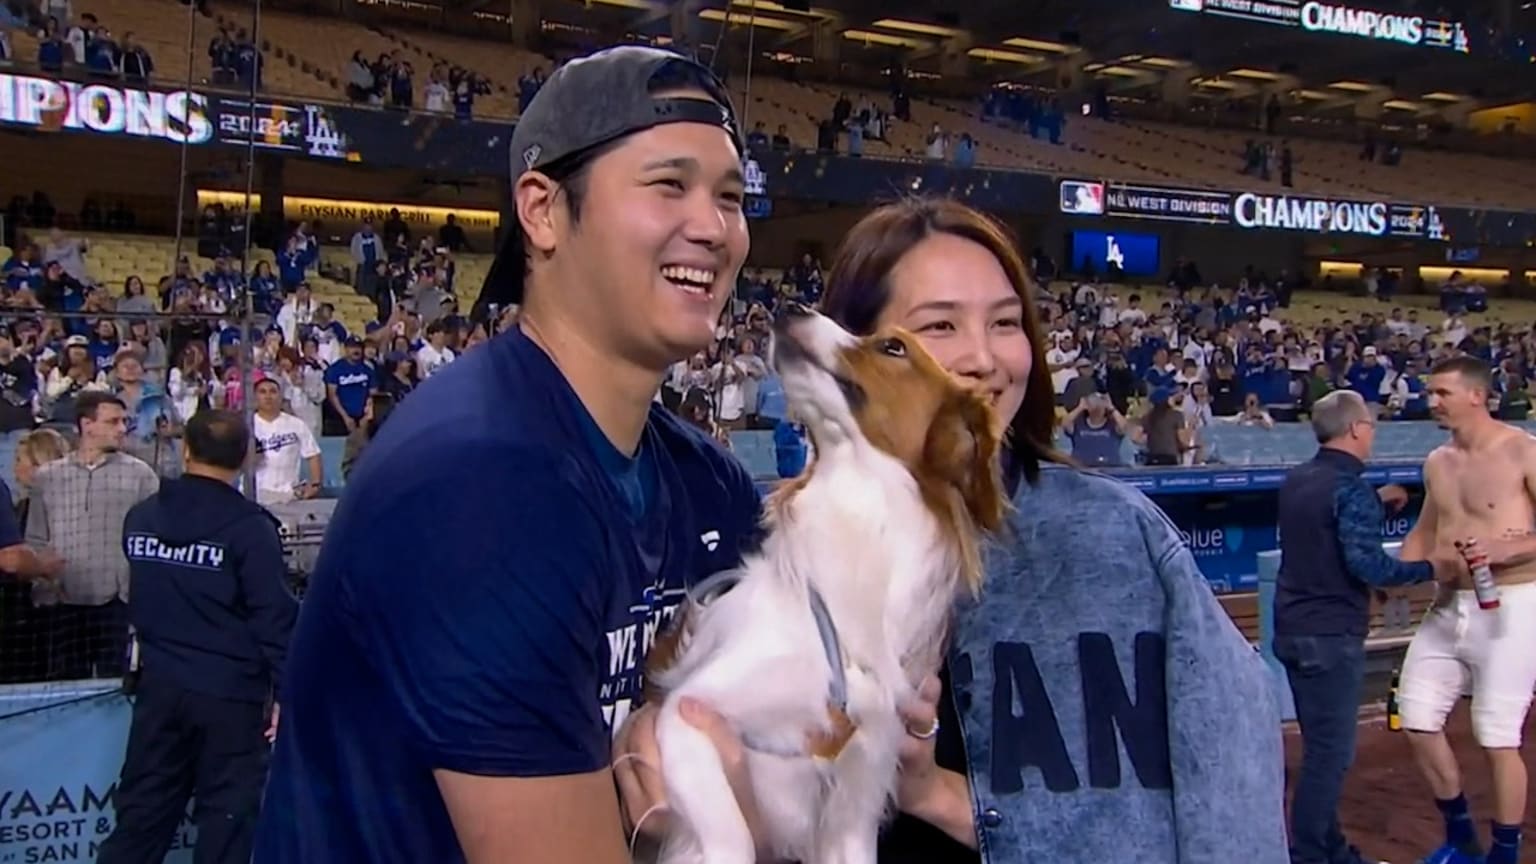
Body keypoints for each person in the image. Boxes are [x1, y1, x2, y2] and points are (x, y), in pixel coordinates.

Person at [623, 198, 1289, 862]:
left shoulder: (1121, 538)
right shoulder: (775, 565)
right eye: (938, 326)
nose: (982, 357)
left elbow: (1230, 790)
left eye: (1006, 322)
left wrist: (934, 794)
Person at [255, 45, 762, 863]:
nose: (713, 228)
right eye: (669, 185)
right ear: (543, 210)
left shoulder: (709, 483)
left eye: (731, 197)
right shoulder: (479, 484)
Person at [96, 409, 295, 864]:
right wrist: (287, 692)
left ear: (186, 449)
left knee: (142, 816)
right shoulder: (251, 528)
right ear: (246, 458)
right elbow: (274, 618)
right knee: (227, 819)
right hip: (230, 699)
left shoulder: (141, 518)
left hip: (159, 690)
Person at [1274, 389, 1448, 864]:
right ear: (1355, 429)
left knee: (1321, 750)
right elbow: (1369, 567)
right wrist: (1433, 568)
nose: (1373, 432)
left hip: (1293, 628)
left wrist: (1374, 502)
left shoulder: (1298, 479)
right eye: (1370, 424)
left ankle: (1333, 851)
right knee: (1329, 757)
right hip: (1330, 635)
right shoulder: (1350, 490)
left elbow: (1326, 533)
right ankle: (1310, 854)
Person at [1398, 355, 1536, 864]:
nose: (1432, 402)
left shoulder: (1523, 451)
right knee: (1415, 717)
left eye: (1442, 393)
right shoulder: (1438, 461)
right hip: (1446, 605)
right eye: (1430, 393)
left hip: (1511, 608)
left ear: (1476, 395)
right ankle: (1461, 838)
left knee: (1498, 735)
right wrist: (1391, 580)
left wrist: (1506, 550)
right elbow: (1424, 532)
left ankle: (1505, 853)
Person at [25, 390, 158, 679]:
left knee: (117, 683)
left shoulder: (141, 475)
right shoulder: (48, 477)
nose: (122, 429)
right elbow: (36, 539)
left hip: (118, 604)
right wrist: (45, 586)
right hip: (62, 603)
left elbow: (153, 540)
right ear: (87, 425)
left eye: (124, 422)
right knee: (63, 686)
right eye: (113, 422)